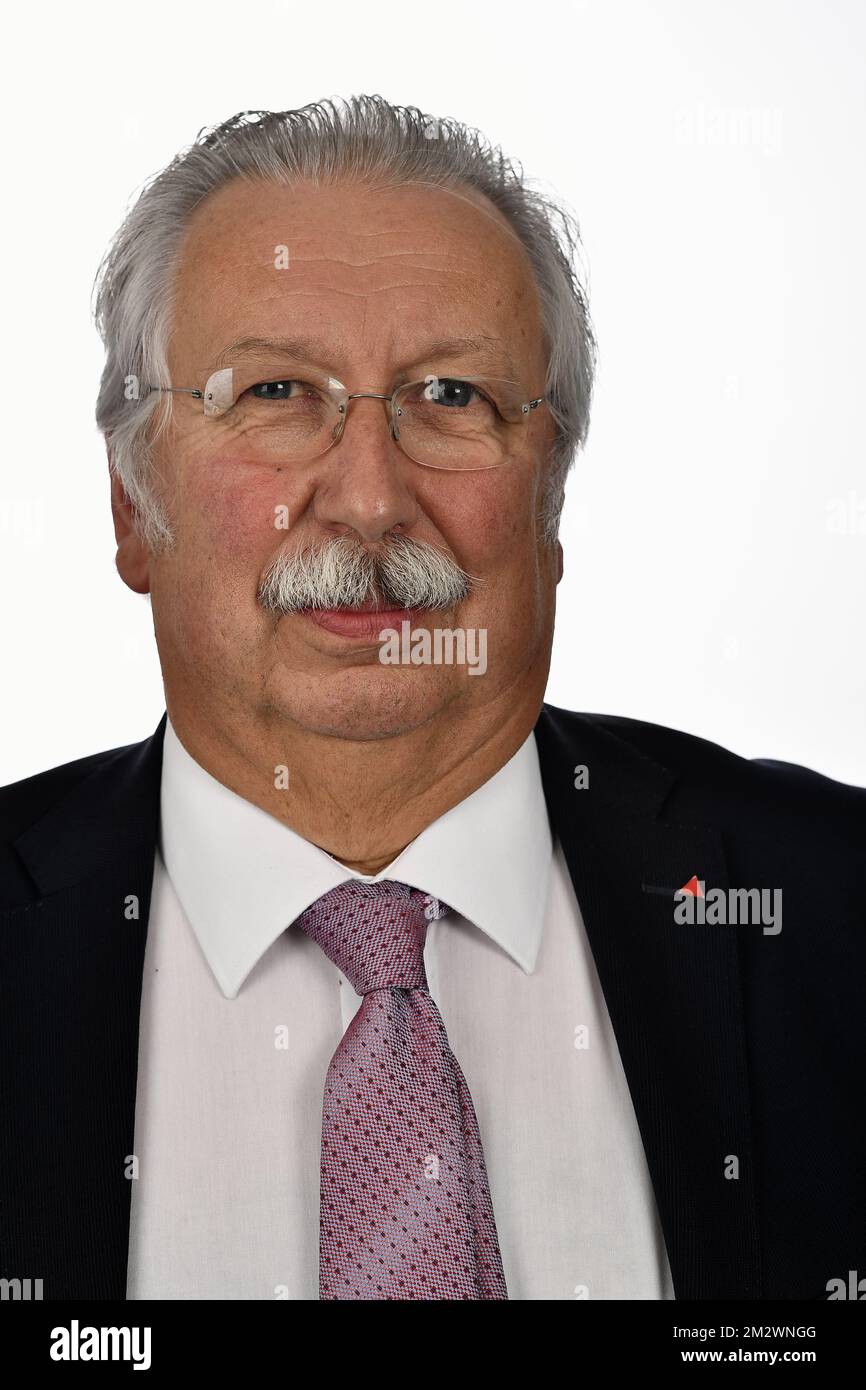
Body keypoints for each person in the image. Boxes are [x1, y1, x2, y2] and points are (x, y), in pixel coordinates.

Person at [1, 96, 863, 1302]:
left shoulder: (832, 904)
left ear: (549, 504)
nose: (367, 500)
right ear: (131, 509)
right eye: (272, 394)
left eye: (452, 396)